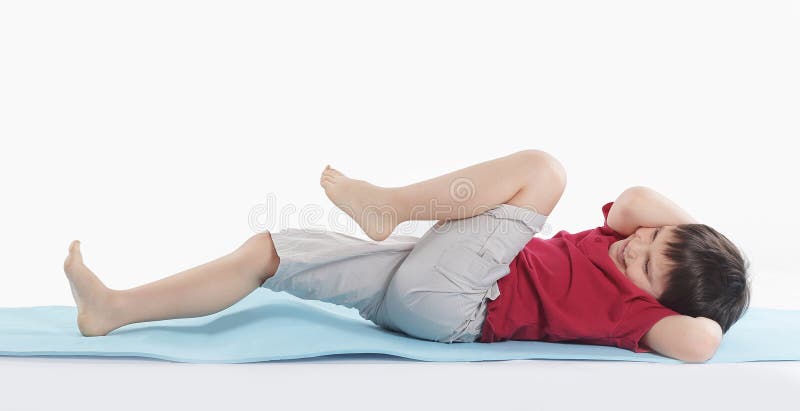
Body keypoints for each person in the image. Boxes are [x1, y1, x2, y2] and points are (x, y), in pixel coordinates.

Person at [62, 149, 750, 363]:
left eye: (645, 264)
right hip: (424, 282)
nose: (633, 245)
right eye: (651, 240)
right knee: (268, 251)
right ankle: (114, 307)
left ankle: (388, 202)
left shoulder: (641, 314)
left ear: (655, 299)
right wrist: (693, 243)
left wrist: (698, 279)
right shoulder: (628, 237)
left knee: (543, 170)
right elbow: (632, 200)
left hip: (460, 304)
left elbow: (702, 341)